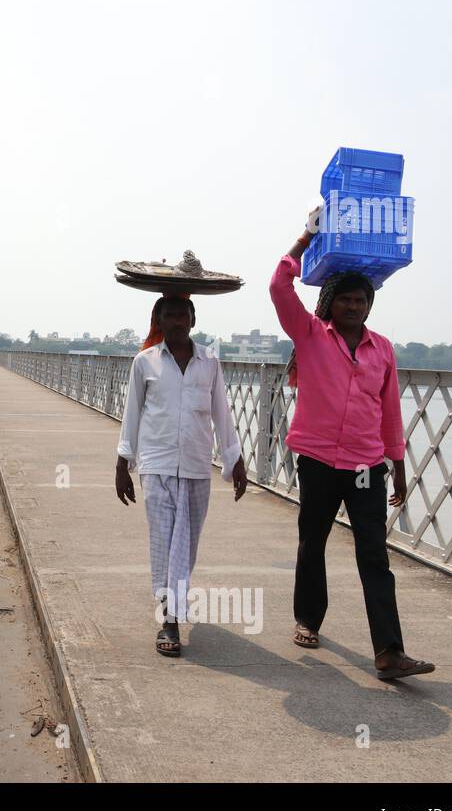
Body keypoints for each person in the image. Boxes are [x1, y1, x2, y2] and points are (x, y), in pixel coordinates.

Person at [270, 213, 435, 680]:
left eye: (361, 300)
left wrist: (398, 466)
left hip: (366, 466)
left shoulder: (382, 349)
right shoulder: (309, 336)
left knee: (374, 556)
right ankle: (308, 619)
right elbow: (279, 289)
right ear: (329, 302)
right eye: (344, 299)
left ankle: (389, 652)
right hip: (319, 460)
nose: (353, 306)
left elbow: (390, 412)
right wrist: (304, 238)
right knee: (312, 542)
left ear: (369, 305)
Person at [115, 294, 247, 656]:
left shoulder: (209, 363)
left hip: (196, 465)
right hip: (156, 463)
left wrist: (235, 460)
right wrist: (123, 463)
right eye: (168, 315)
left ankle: (173, 605)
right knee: (163, 541)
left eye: (182, 315)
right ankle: (169, 620)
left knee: (186, 545)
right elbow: (132, 414)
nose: (176, 321)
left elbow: (222, 413)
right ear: (159, 320)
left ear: (192, 319)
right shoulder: (145, 363)